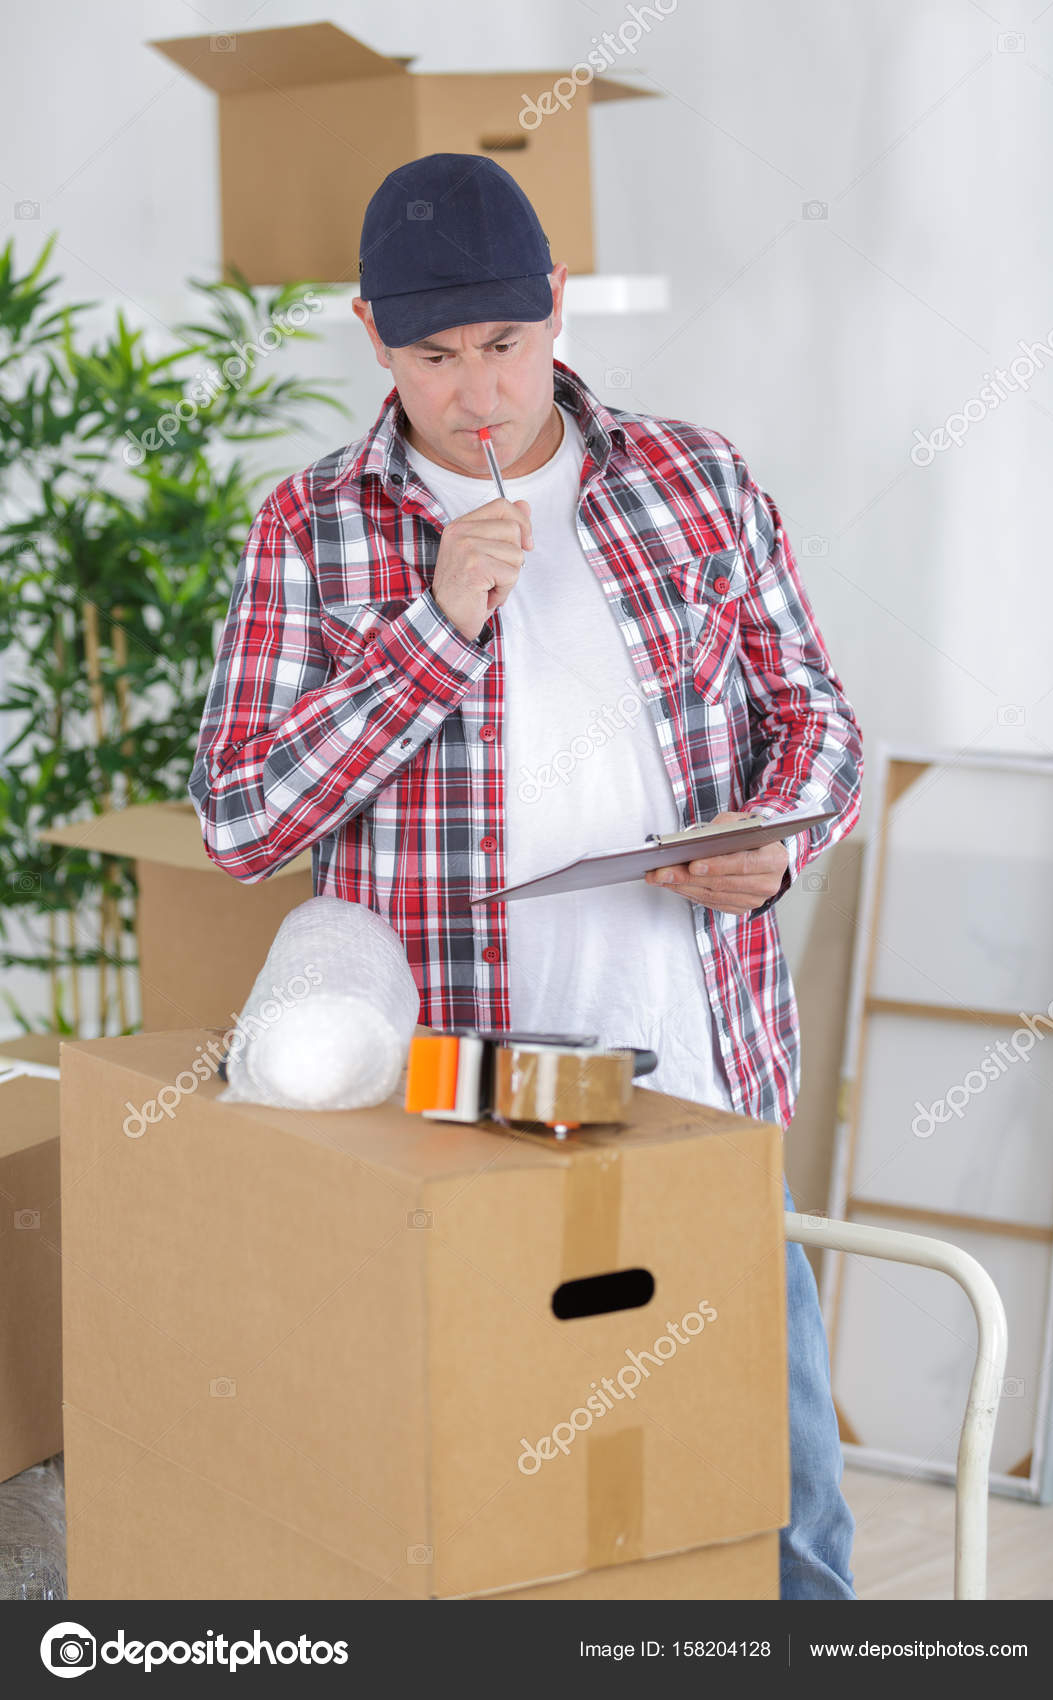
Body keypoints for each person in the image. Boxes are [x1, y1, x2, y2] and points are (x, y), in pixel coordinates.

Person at [188, 153, 863, 1600]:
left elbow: (818, 714)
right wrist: (434, 624)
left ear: (557, 306)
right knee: (497, 1513)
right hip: (458, 1105)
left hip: (701, 1074)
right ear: (372, 333)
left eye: (505, 345)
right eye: (435, 357)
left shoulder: (695, 477)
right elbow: (239, 821)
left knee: (783, 1503)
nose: (477, 393)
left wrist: (778, 839)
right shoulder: (310, 529)